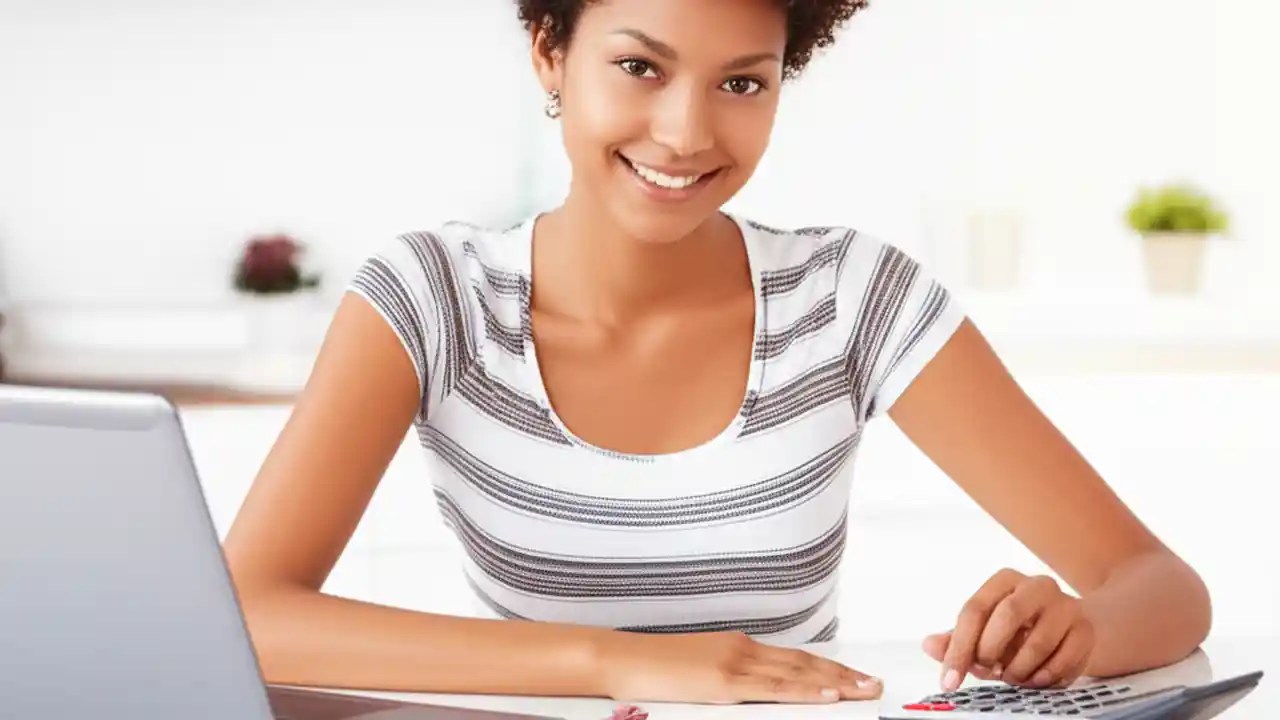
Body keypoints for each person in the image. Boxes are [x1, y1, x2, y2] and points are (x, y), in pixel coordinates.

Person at [223, 0, 1212, 706]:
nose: (686, 132)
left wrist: (1079, 633)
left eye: (741, 82)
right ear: (546, 53)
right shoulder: (435, 296)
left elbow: (1161, 588)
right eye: (639, 66)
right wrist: (613, 662)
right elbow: (248, 614)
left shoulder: (849, 296)